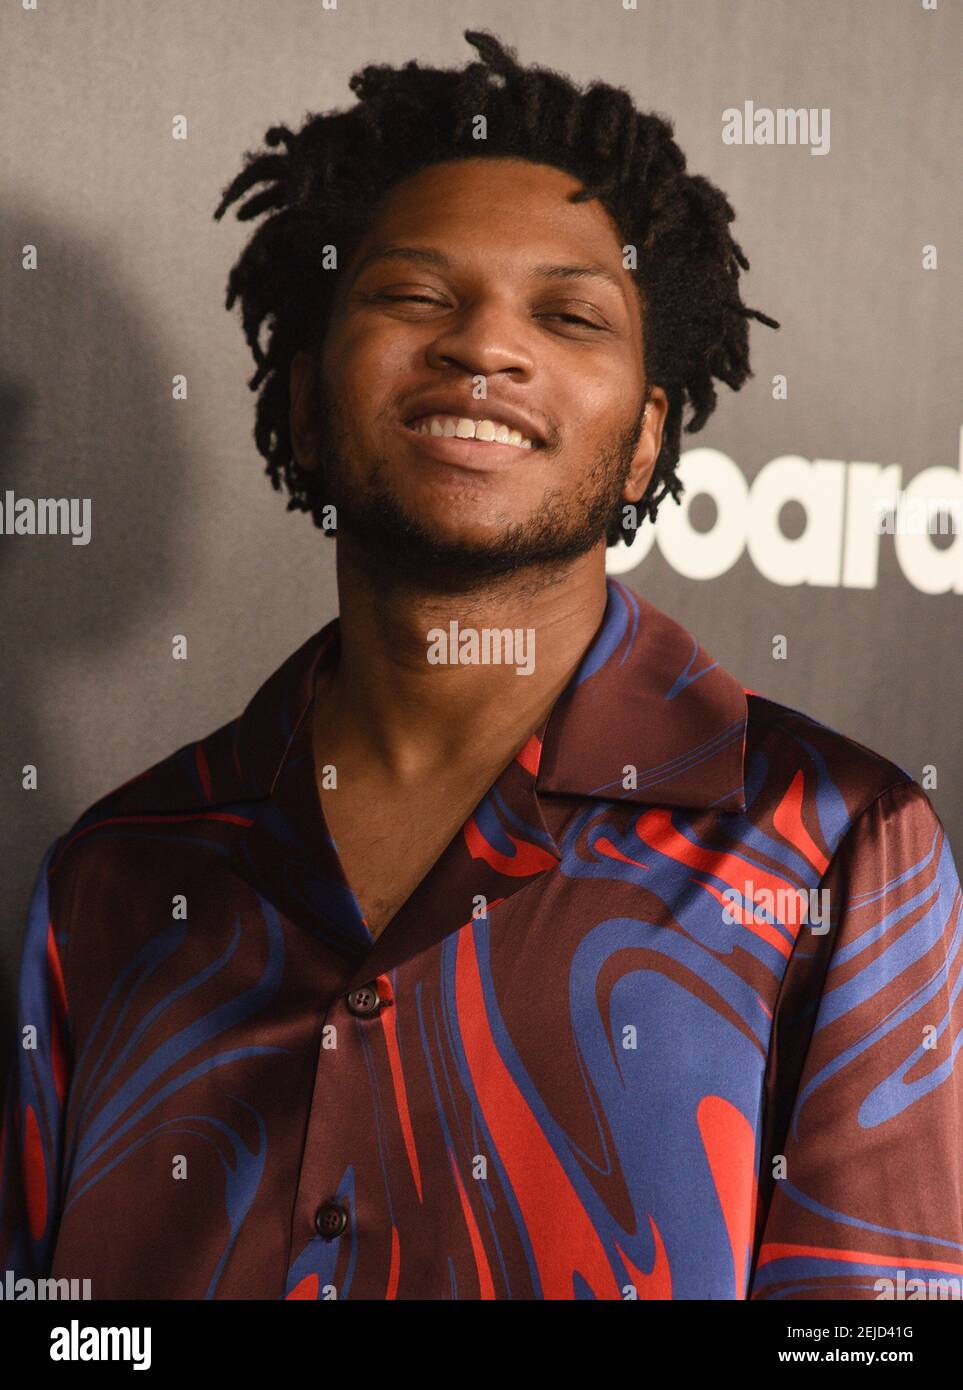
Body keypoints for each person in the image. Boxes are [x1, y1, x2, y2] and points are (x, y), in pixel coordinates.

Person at [2, 29, 960, 1301]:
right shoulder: (122, 867)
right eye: (413, 296)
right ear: (298, 397)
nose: (482, 349)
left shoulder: (832, 840)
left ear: (643, 446)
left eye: (568, 315)